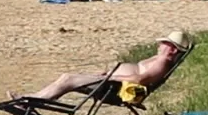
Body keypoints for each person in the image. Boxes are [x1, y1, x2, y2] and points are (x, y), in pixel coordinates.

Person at [23, 31, 195, 101]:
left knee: (67, 79)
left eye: (164, 43)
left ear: (172, 49)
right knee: (67, 78)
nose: (160, 45)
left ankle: (32, 100)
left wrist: (110, 77)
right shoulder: (159, 58)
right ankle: (33, 98)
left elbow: (139, 79)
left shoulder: (162, 63)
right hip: (109, 83)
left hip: (112, 88)